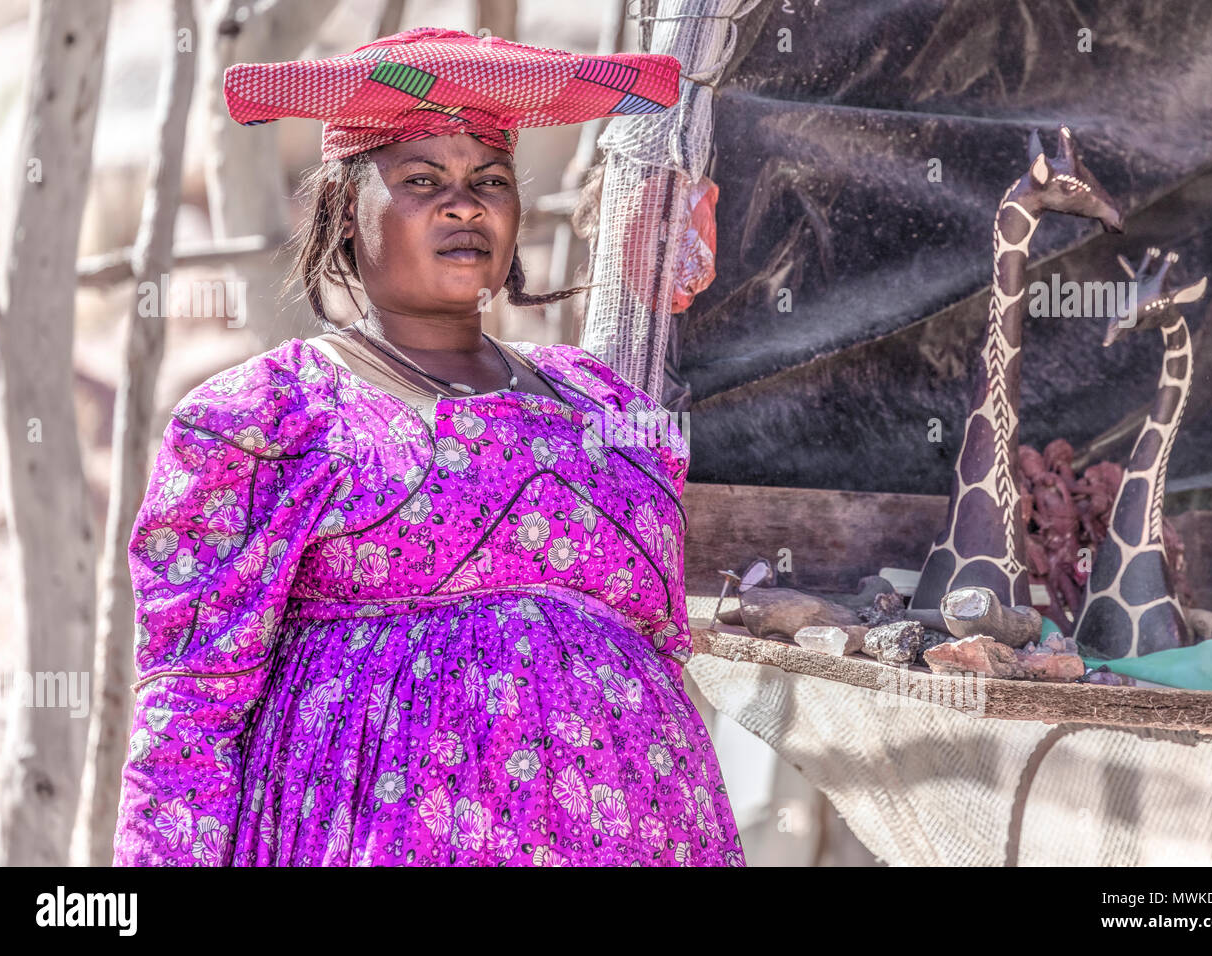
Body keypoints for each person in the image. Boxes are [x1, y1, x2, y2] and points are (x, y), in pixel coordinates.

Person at [111, 26, 745, 866]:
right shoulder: (271, 417)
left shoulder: (606, 406)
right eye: (421, 180)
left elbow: (656, 640)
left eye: (491, 180)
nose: (464, 204)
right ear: (344, 216)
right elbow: (190, 705)